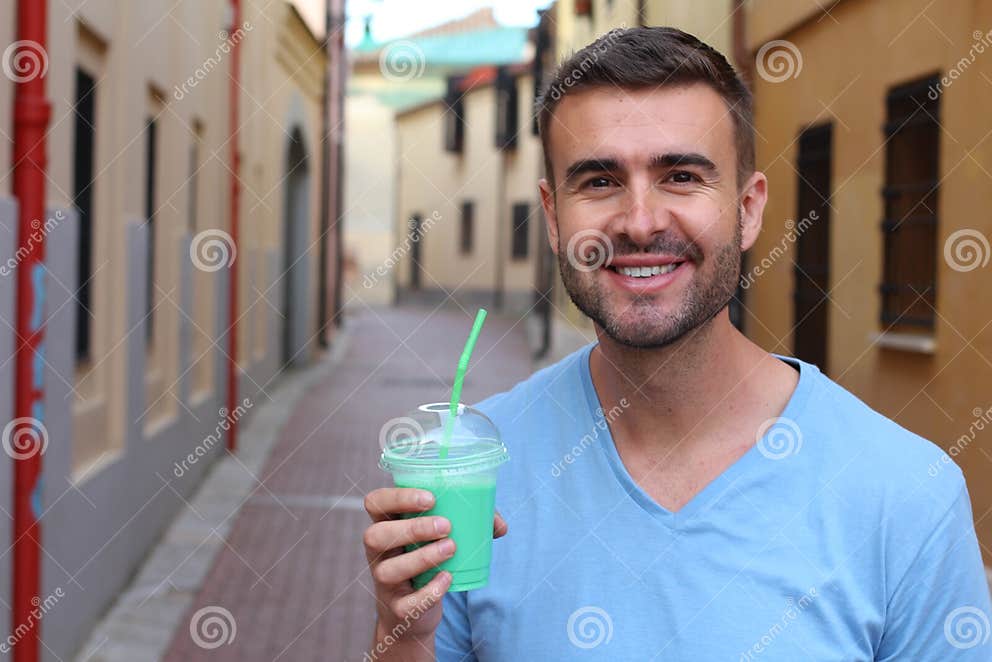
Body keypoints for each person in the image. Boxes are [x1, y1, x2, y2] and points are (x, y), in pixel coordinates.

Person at [362, 26, 992, 660]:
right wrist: (405, 638)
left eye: (682, 176)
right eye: (600, 181)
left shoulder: (908, 496)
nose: (640, 221)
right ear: (553, 219)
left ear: (748, 210)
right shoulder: (480, 466)